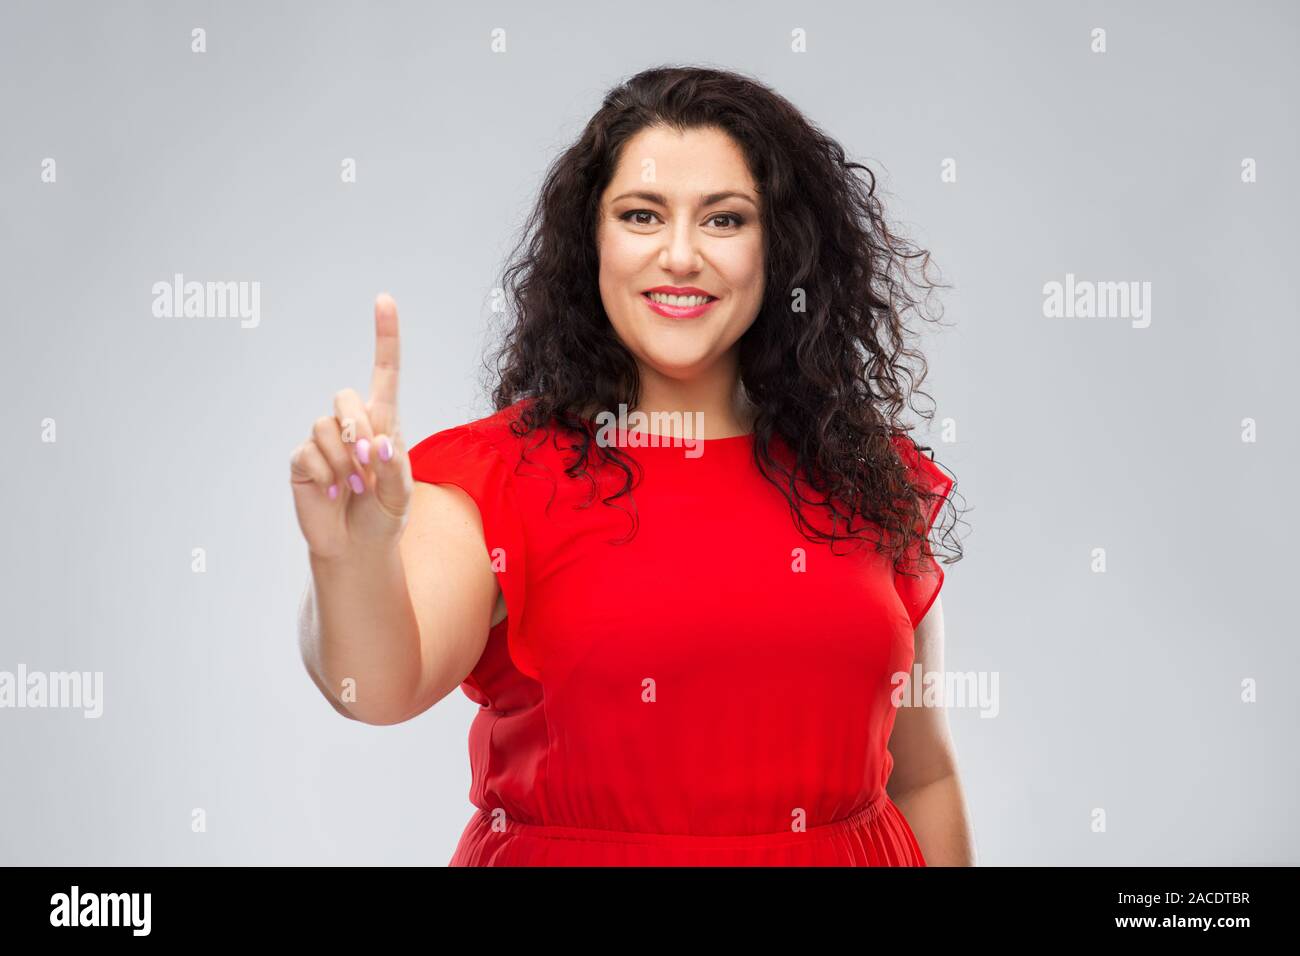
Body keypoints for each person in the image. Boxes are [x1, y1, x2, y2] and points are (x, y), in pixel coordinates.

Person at [290, 65, 974, 866]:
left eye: (724, 220)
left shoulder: (865, 476)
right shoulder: (493, 479)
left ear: (778, 248)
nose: (680, 256)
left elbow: (922, 778)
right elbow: (374, 688)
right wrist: (350, 554)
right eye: (642, 215)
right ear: (594, 242)